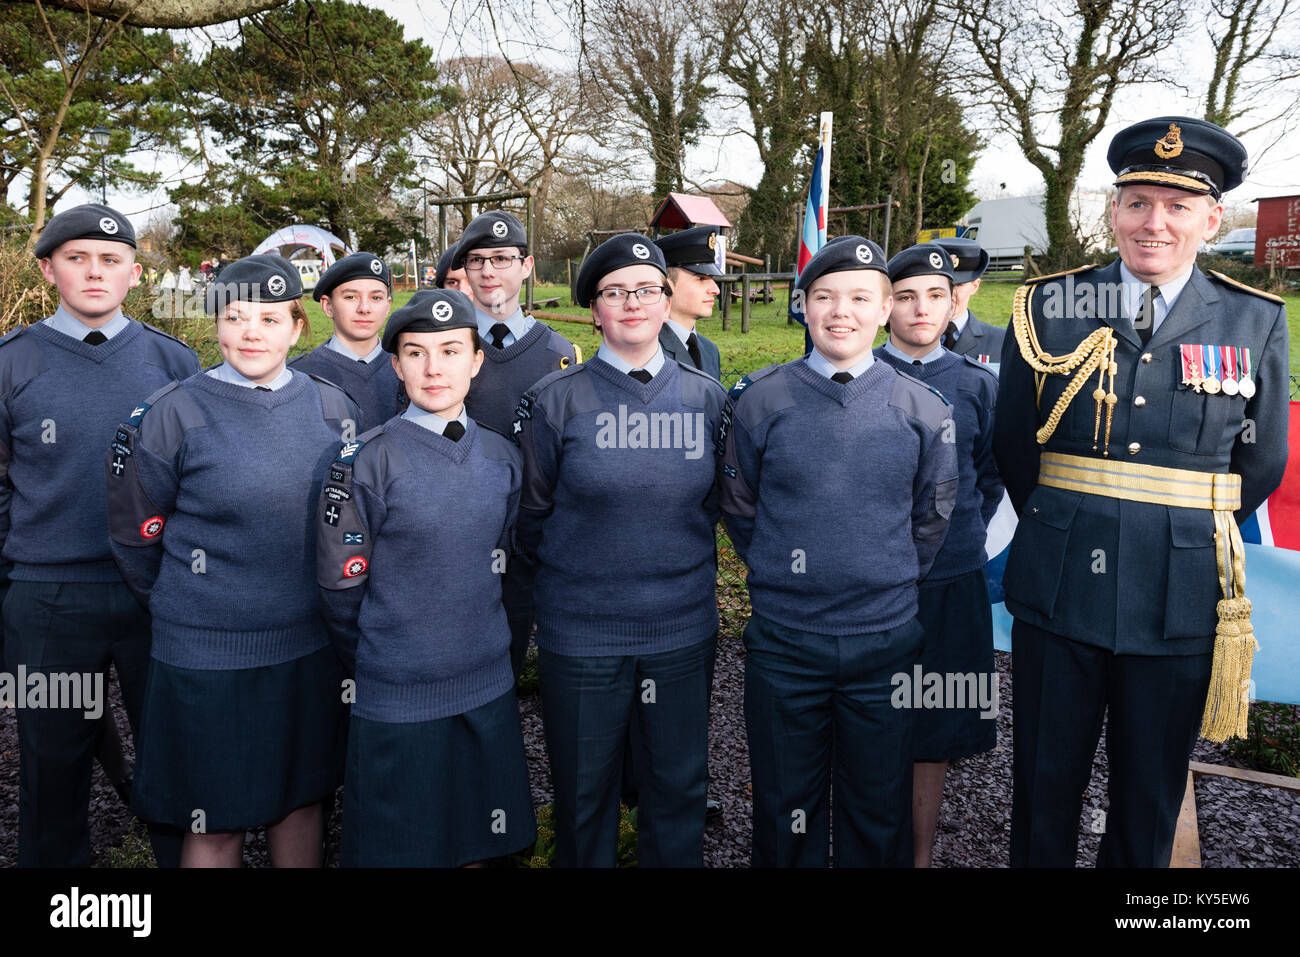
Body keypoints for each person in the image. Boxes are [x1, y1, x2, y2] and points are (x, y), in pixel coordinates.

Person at [993, 116, 1290, 867]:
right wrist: (1072, 518)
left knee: (1150, 796)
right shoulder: (1045, 307)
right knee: (1041, 789)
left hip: (1181, 589)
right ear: (1114, 209)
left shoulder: (1254, 319)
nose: (1153, 223)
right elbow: (1013, 446)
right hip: (1061, 582)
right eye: (1136, 202)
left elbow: (1261, 465)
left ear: (1211, 218)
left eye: (1177, 205)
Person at [107, 254, 359, 868]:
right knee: (211, 816)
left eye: (270, 319)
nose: (252, 332)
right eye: (236, 315)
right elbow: (136, 539)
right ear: (215, 323)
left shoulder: (334, 408)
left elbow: (349, 528)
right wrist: (198, 605)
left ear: (299, 328)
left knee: (299, 806)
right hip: (204, 652)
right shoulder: (171, 413)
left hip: (306, 645)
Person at [719, 236, 958, 867]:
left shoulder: (924, 408)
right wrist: (787, 571)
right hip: (786, 639)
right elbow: (741, 507)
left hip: (885, 640)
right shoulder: (760, 400)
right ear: (802, 306)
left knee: (878, 805)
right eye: (824, 297)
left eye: (859, 297)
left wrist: (877, 573)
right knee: (784, 802)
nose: (840, 311)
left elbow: (930, 518)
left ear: (885, 310)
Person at [514, 234, 727, 867]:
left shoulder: (708, 398)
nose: (631, 303)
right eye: (614, 292)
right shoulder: (554, 402)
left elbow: (717, 503)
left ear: (667, 301)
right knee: (584, 792)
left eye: (646, 289)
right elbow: (531, 518)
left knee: (677, 786)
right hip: (583, 632)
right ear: (594, 310)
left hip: (681, 626)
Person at [1, 203, 198, 868]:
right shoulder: (11, 363)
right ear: (49, 268)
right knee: (50, 767)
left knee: (175, 759)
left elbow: (197, 479)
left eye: (110, 259)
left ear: (135, 274)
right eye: (77, 257)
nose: (94, 271)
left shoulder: (174, 363)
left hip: (158, 593)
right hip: (48, 597)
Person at [317, 289, 536, 867]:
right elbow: (341, 592)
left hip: (485, 683)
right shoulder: (362, 461)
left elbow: (510, 568)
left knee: (485, 846)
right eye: (415, 353)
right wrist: (385, 660)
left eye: (450, 351)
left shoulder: (503, 457)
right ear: (396, 364)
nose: (434, 368)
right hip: (396, 693)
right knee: (402, 847)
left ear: (477, 359)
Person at [874, 243, 1003, 867]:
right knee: (867, 717)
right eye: (905, 295)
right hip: (870, 580)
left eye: (936, 295)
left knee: (934, 718)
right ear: (882, 305)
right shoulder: (855, 373)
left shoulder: (978, 385)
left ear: (956, 302)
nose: (921, 308)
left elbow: (991, 474)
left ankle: (919, 858)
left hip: (950, 577)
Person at [453, 210, 580, 679]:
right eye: (478, 260)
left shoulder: (561, 354)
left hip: (532, 535)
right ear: (465, 271)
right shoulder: (447, 347)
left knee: (516, 658)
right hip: (462, 528)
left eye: (503, 259)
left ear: (526, 267)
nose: (489, 271)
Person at [289, 251, 401, 433]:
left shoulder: (409, 369)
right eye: (351, 297)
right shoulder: (300, 375)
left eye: (376, 298)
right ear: (328, 306)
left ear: (387, 306)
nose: (365, 308)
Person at [653, 225, 723, 380]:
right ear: (667, 286)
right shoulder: (647, 354)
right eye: (701, 278)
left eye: (712, 279)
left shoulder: (710, 350)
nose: (715, 289)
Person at [931, 237, 1003, 363]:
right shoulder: (909, 337)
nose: (950, 293)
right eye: (943, 284)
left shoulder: (1000, 341)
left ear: (975, 286)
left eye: (959, 285)